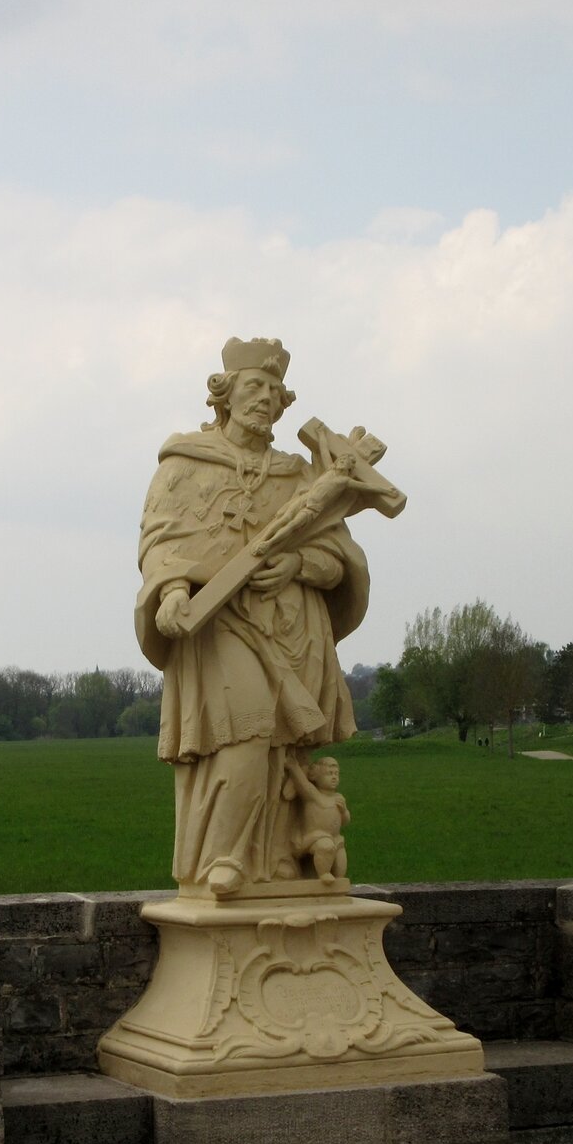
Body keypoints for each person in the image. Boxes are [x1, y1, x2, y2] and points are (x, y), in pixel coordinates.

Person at [134, 338, 369, 896]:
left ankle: (280, 860)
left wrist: (299, 563)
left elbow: (340, 559)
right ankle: (227, 858)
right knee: (246, 727)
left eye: (273, 391)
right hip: (218, 623)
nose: (265, 399)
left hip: (292, 626)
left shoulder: (298, 474)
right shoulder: (185, 462)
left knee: (283, 748)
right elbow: (160, 540)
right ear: (225, 394)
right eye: (253, 387)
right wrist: (169, 591)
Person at [283, 755, 349, 881]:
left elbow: (345, 820)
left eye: (336, 774)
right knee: (326, 847)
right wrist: (293, 766)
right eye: (329, 774)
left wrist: (344, 810)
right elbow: (303, 784)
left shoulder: (338, 798)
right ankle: (323, 874)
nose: (334, 777)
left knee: (340, 855)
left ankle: (339, 877)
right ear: (316, 777)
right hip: (314, 838)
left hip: (336, 838)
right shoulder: (314, 796)